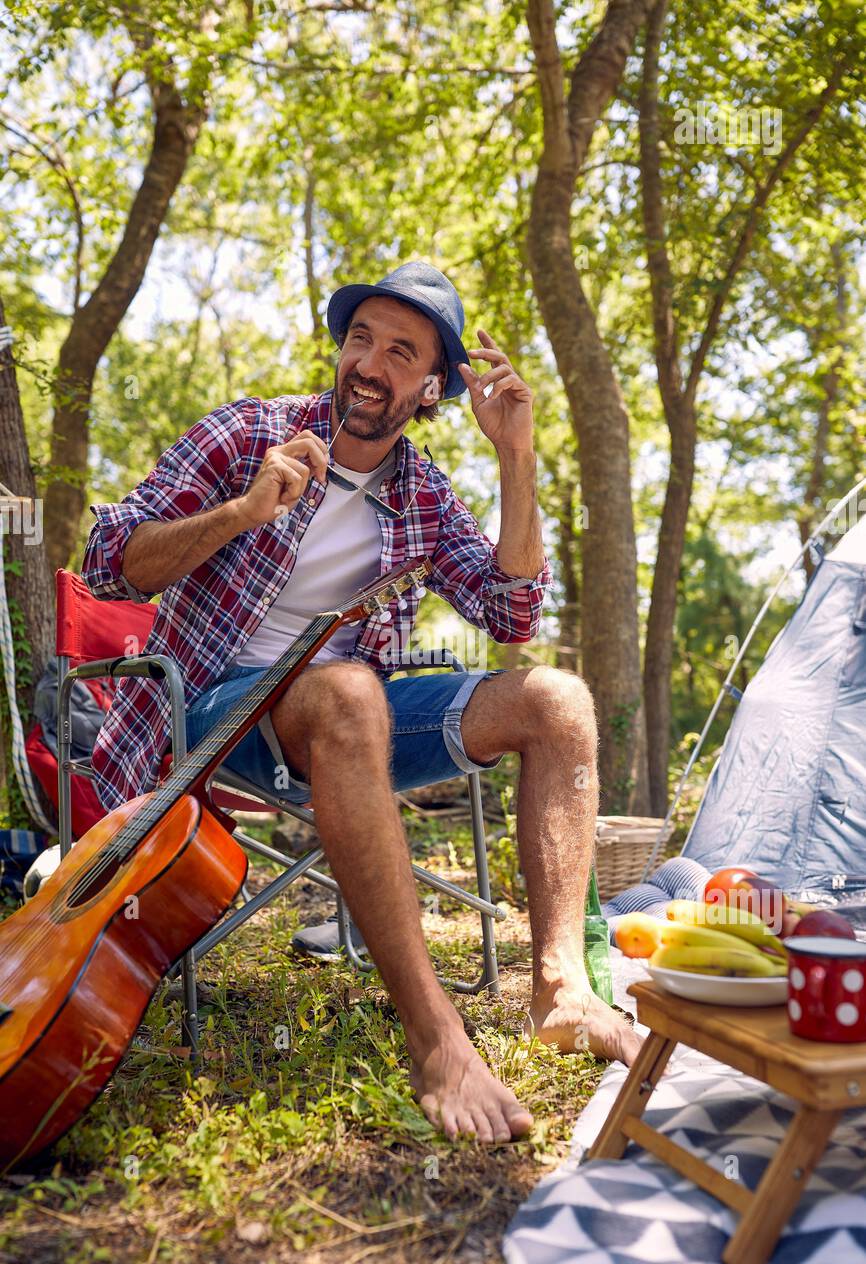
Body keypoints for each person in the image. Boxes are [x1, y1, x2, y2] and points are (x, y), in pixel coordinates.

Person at [82, 262, 640, 1145]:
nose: (370, 363)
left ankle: (562, 990)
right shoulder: (249, 433)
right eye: (360, 339)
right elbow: (112, 558)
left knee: (559, 702)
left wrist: (517, 457)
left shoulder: (420, 493)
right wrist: (241, 512)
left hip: (344, 725)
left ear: (429, 389)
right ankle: (436, 1039)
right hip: (208, 716)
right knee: (348, 691)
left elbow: (514, 612)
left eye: (401, 351)